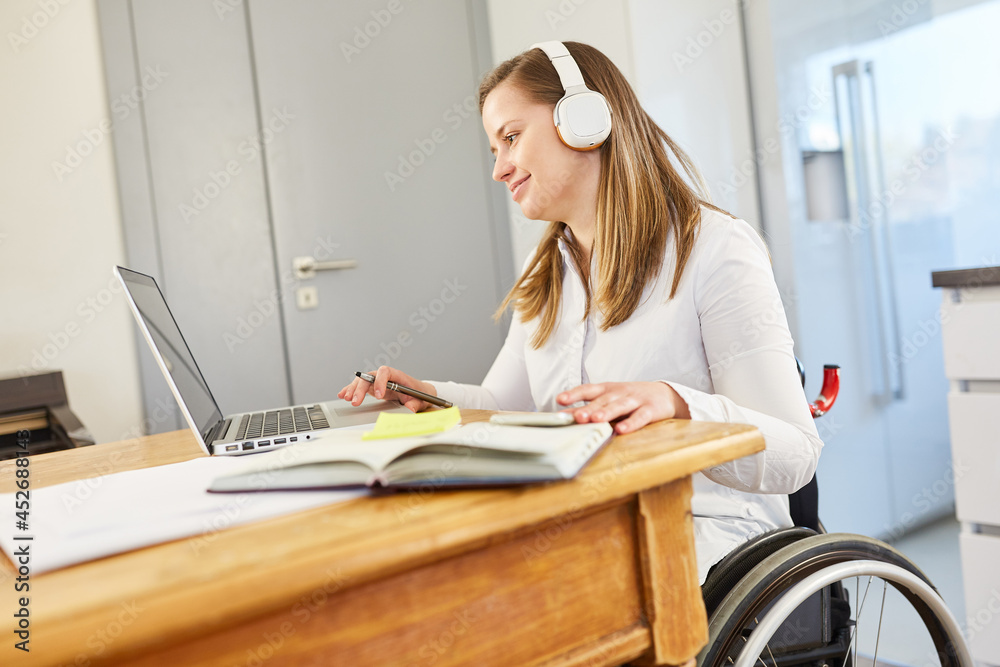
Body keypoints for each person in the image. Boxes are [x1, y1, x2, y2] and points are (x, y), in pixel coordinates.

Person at [338, 41, 823, 582]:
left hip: (707, 538)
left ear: (585, 120)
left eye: (511, 138)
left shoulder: (715, 249)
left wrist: (676, 402)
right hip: (588, 526)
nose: (499, 169)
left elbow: (796, 454)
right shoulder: (546, 270)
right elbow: (504, 406)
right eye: (494, 149)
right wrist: (428, 396)